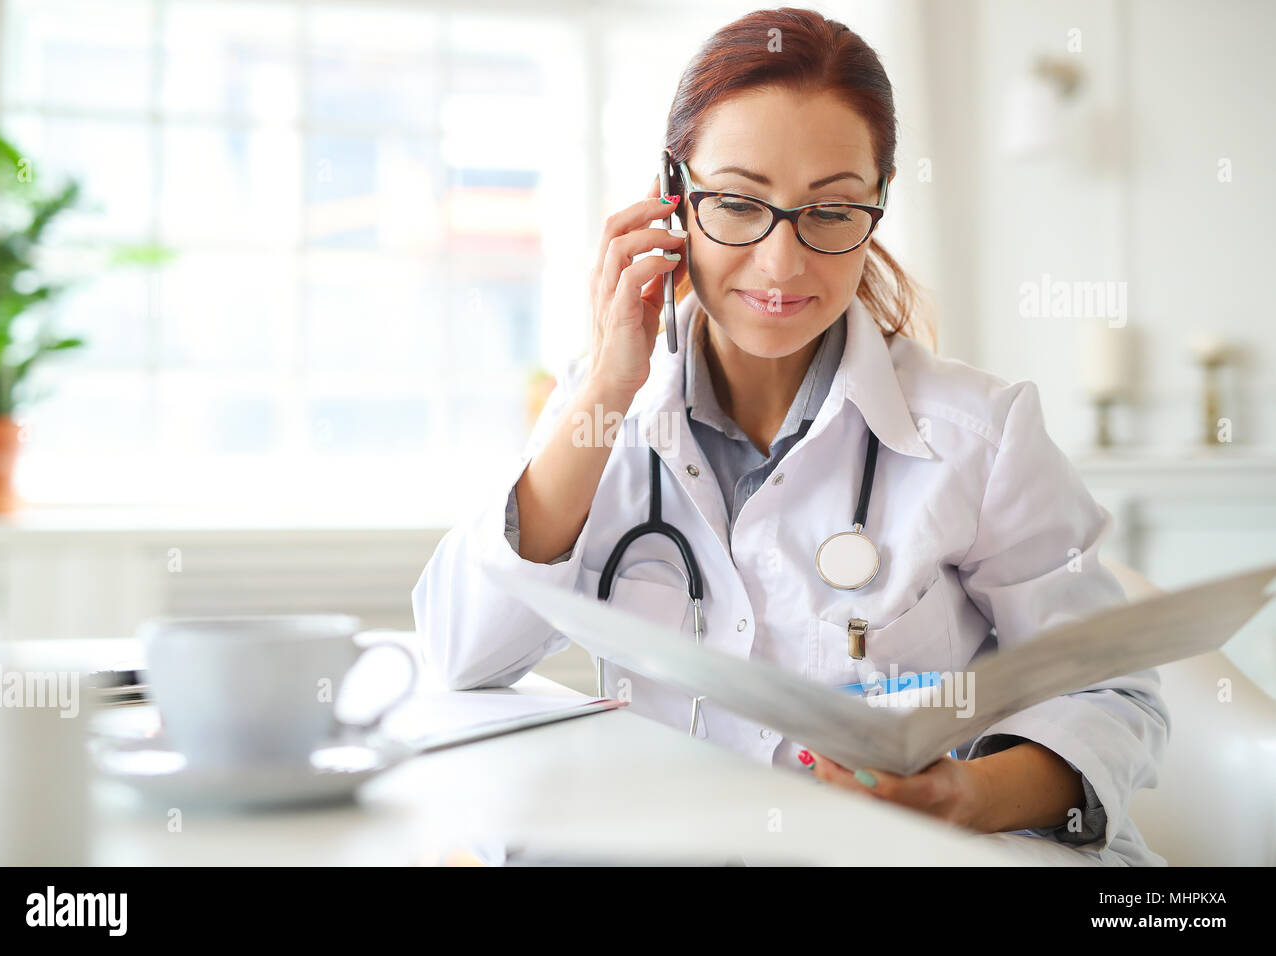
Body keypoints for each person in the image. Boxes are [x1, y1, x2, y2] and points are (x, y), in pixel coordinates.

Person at [411, 7, 1167, 866]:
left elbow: (1114, 696)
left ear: (878, 203)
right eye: (736, 202)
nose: (782, 263)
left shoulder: (978, 435)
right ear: (674, 195)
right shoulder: (603, 411)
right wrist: (612, 384)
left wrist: (963, 797)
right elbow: (461, 655)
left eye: (833, 210)